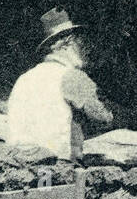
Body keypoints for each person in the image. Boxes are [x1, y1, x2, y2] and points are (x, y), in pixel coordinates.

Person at [6, 8, 113, 160]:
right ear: (66, 45)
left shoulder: (23, 80)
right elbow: (104, 117)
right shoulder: (69, 76)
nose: (84, 49)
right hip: (60, 168)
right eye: (80, 42)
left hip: (26, 168)